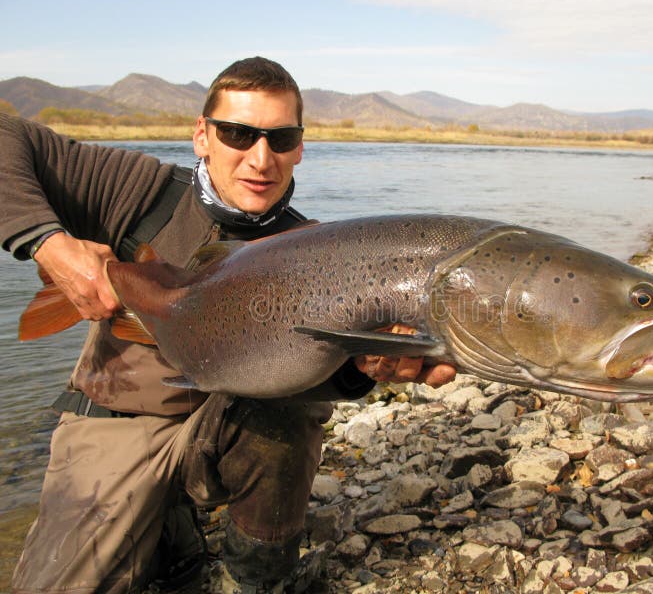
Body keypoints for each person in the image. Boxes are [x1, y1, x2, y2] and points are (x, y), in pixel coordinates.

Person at [0, 57, 456, 593]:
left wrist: (364, 367)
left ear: (300, 148)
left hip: (231, 430)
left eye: (281, 139)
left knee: (289, 414)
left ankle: (254, 578)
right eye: (238, 134)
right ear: (202, 136)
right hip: (116, 422)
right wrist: (49, 245)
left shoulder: (318, 248)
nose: (261, 158)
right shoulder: (136, 189)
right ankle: (168, 534)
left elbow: (319, 372)